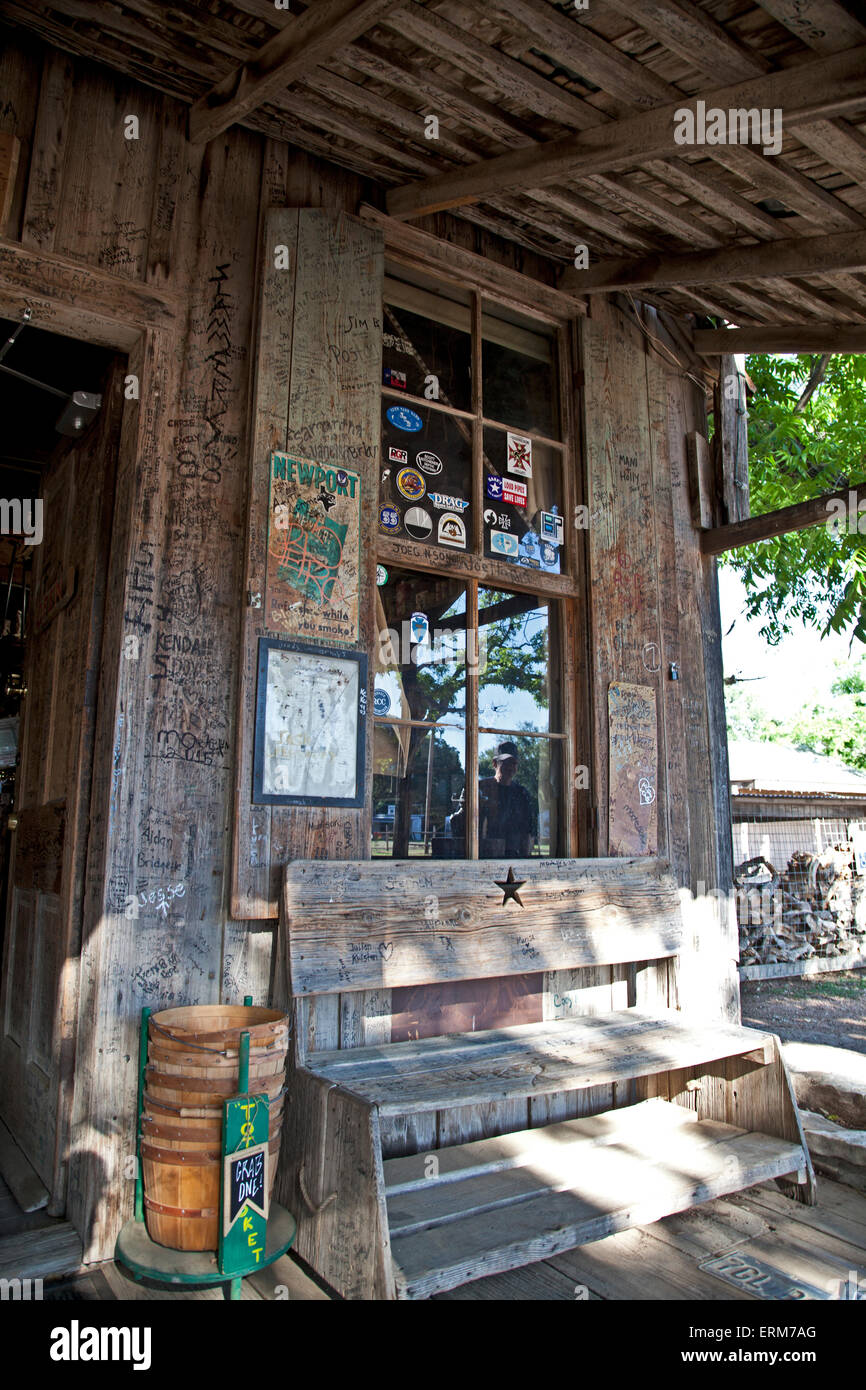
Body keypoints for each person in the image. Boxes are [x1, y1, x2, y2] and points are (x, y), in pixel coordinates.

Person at [450, 741, 537, 857]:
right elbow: (458, 825)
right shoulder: (478, 788)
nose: (510, 767)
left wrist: (525, 857)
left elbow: (528, 832)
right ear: (494, 764)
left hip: (514, 856)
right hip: (483, 856)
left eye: (513, 763)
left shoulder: (522, 793)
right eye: (505, 763)